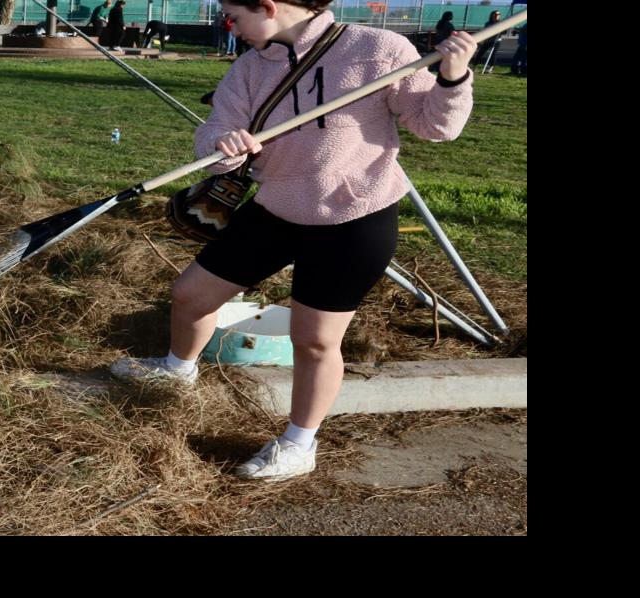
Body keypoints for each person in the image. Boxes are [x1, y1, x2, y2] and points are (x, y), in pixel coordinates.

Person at [109, 0, 477, 481]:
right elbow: (215, 130)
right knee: (191, 295)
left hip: (354, 216)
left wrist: (452, 78)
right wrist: (222, 144)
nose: (230, 26)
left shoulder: (377, 49)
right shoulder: (249, 66)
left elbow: (437, 127)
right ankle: (178, 369)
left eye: (233, 15)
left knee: (315, 340)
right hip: (276, 207)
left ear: (267, 7)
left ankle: (298, 444)